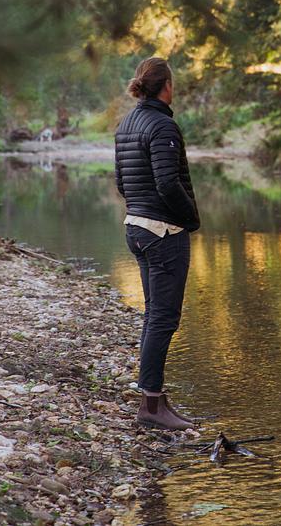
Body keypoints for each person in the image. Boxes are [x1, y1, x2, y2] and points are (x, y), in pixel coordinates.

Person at [114, 57, 200, 431]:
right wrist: (191, 219)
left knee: (154, 314)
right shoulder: (162, 124)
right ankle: (150, 406)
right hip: (163, 232)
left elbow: (121, 181)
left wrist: (139, 208)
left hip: (136, 225)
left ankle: (156, 400)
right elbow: (168, 183)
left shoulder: (127, 123)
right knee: (164, 317)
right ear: (166, 85)